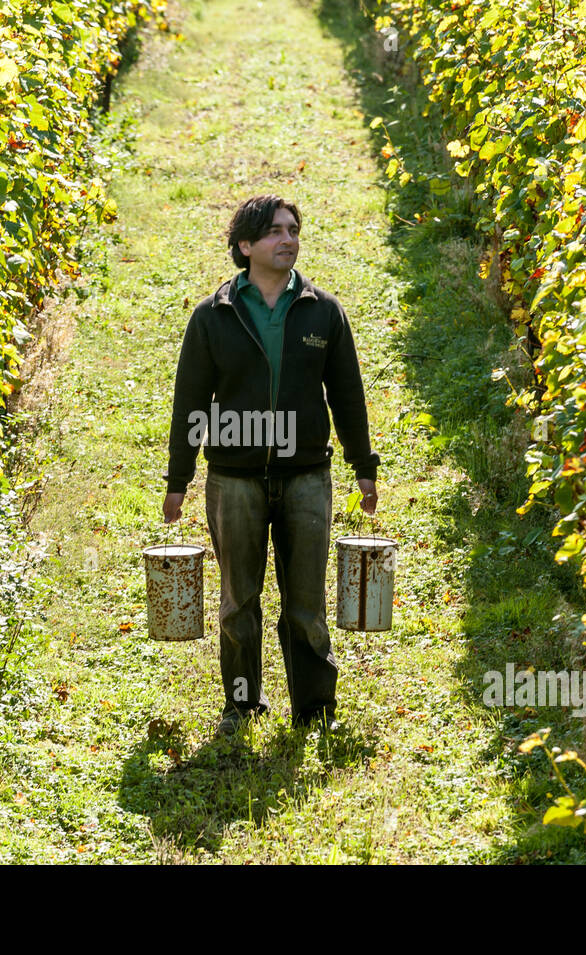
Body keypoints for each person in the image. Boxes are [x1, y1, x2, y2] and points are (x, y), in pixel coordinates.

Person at [161, 194, 380, 738]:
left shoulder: (323, 312)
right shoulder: (212, 316)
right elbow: (189, 401)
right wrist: (178, 480)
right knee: (239, 602)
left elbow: (347, 395)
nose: (288, 239)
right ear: (245, 246)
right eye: (275, 232)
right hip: (233, 479)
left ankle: (314, 709)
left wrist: (363, 465)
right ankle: (241, 703)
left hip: (307, 475)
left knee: (306, 602)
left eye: (293, 230)